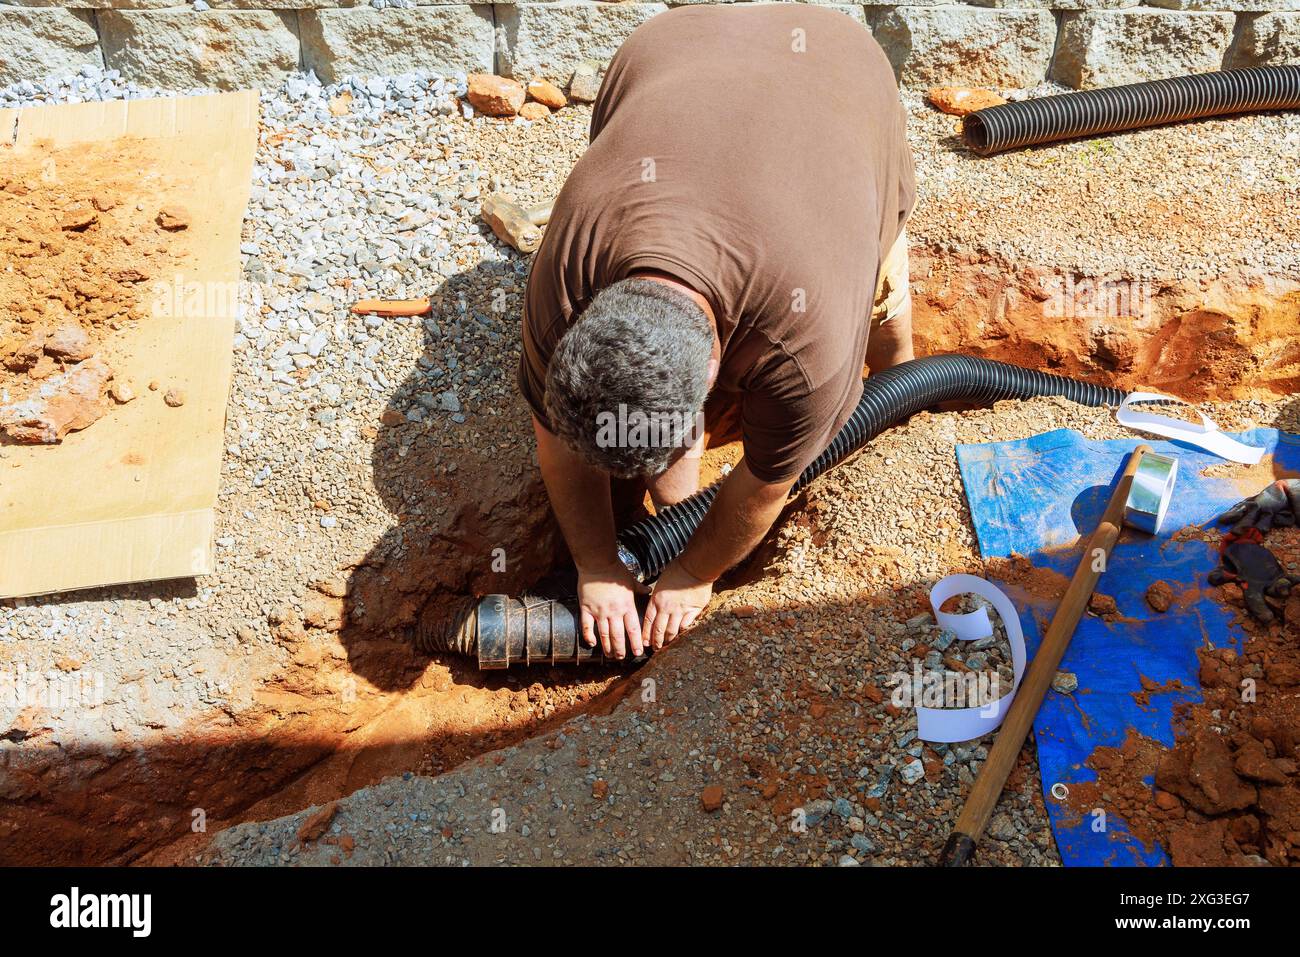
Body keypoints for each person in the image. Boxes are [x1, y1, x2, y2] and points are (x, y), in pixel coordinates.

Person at [518, 5, 916, 659]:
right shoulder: (562, 285)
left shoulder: (804, 347)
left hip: (839, 68)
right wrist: (595, 564)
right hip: (674, 43)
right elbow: (553, 435)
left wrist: (693, 572)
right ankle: (672, 514)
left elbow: (765, 485)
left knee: (884, 316)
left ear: (713, 382)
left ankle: (909, 408)